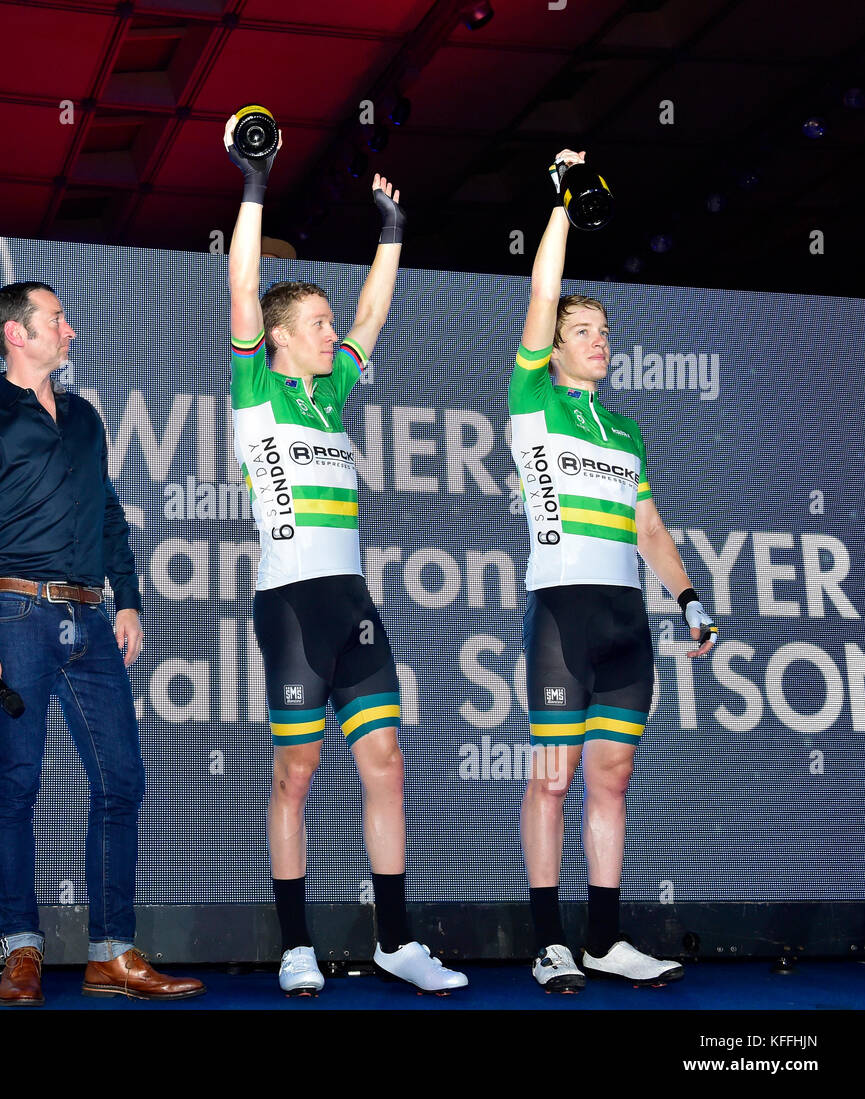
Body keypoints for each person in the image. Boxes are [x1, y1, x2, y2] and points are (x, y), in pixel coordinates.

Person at [224, 116, 468, 995]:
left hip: (353, 605)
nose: (334, 336)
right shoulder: (256, 385)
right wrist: (255, 184)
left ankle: (395, 940)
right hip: (289, 607)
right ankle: (296, 944)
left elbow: (373, 312)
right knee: (298, 770)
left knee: (385, 763)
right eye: (318, 326)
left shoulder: (332, 394)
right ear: (282, 336)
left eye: (331, 329)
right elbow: (245, 285)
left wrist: (392, 234)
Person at [0, 281, 204, 1006]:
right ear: (16, 335)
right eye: (57, 319)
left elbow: (110, 511)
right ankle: (21, 949)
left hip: (90, 618)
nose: (72, 330)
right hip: (15, 613)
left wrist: (130, 598)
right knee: (17, 781)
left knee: (122, 778)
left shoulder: (86, 417)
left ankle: (111, 952)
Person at [513, 150, 719, 992]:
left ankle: (602, 939)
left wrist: (691, 597)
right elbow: (538, 296)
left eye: (605, 332)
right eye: (585, 332)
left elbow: (649, 526)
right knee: (553, 777)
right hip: (561, 614)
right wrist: (562, 203)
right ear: (555, 350)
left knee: (614, 776)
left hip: (627, 620)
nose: (602, 342)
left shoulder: (627, 430)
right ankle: (546, 941)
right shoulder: (534, 399)